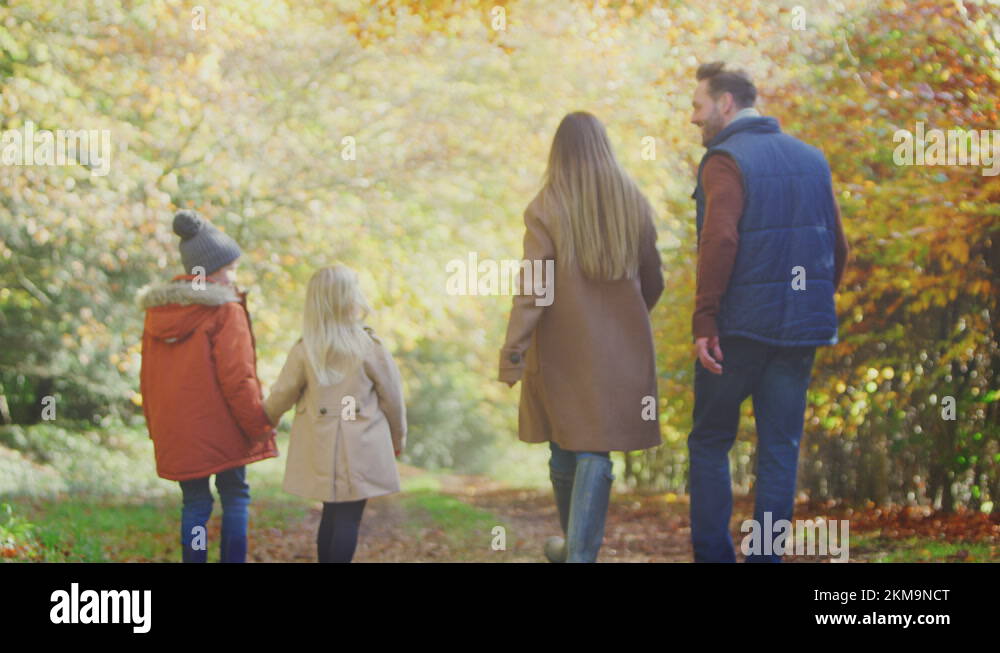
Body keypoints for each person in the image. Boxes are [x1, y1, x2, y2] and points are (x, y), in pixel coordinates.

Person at [687, 62, 850, 562]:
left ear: (726, 103)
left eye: (697, 106)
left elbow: (720, 238)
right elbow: (838, 248)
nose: (693, 118)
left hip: (735, 331)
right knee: (780, 448)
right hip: (798, 332)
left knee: (711, 441)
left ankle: (715, 557)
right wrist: (808, 305)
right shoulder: (811, 159)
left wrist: (706, 320)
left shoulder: (725, 159)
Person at [498, 111, 664, 563]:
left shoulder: (547, 205)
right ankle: (576, 548)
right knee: (594, 448)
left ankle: (578, 553)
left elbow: (535, 290)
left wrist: (513, 352)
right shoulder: (634, 201)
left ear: (559, 153)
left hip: (563, 352)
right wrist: (627, 324)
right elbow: (654, 280)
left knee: (567, 444)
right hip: (623, 353)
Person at [139, 209, 277, 563]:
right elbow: (239, 378)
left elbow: (148, 379)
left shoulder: (159, 314)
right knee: (235, 496)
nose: (235, 276)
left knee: (196, 503)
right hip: (224, 428)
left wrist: (156, 428)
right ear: (213, 269)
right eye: (231, 268)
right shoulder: (225, 312)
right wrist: (258, 426)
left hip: (179, 429)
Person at [263, 265, 407, 563]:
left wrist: (266, 420)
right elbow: (393, 398)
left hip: (322, 447)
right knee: (348, 517)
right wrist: (398, 437)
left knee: (331, 512)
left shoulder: (306, 348)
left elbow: (281, 395)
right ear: (350, 299)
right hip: (362, 445)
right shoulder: (369, 345)